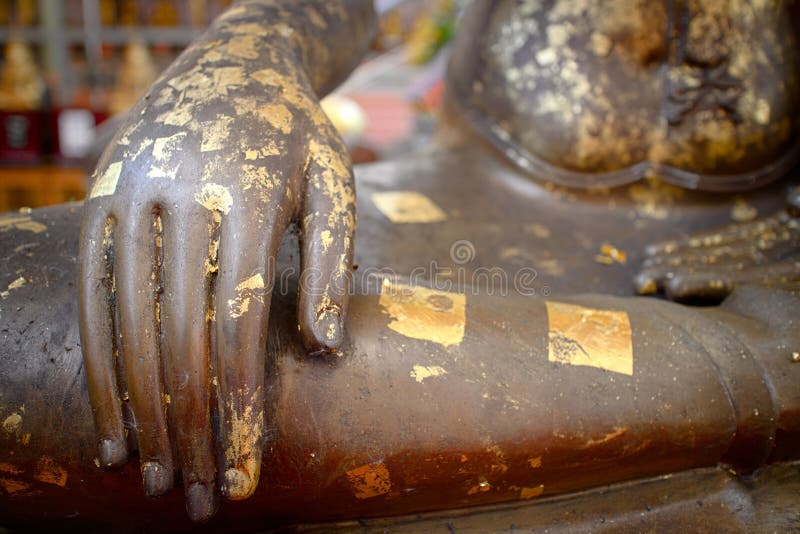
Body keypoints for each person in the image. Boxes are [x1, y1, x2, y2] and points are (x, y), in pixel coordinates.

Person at [0, 0, 798, 528]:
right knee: (48, 307)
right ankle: (763, 371)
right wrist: (249, 57)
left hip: (762, 236)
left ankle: (761, 366)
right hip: (457, 204)